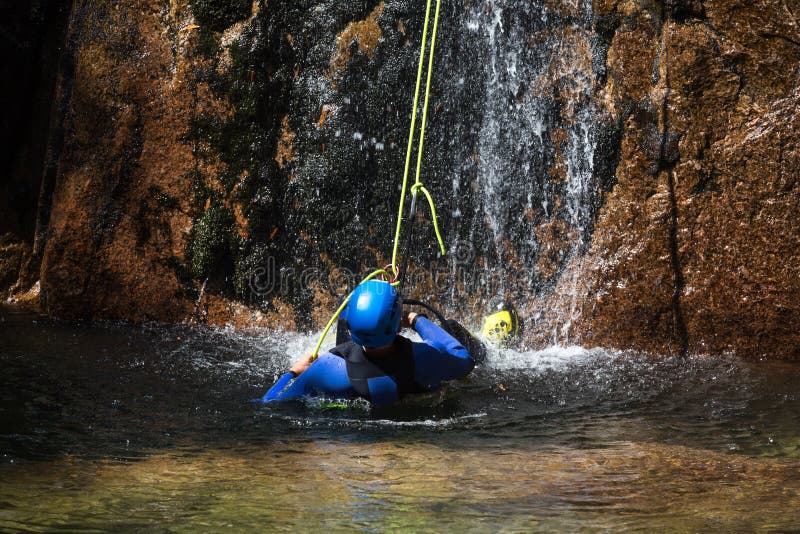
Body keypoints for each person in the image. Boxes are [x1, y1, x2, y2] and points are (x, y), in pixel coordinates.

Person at [261, 279, 475, 406]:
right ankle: (489, 339)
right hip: (411, 388)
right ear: (398, 326)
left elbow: (270, 403)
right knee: (453, 328)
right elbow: (464, 359)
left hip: (352, 387)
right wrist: (414, 319)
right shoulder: (423, 358)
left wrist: (294, 371)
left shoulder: (327, 370)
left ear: (350, 329)